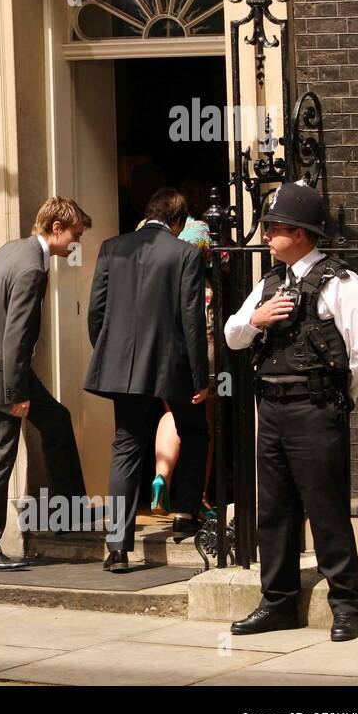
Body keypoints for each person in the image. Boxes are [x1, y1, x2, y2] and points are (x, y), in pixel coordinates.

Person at [224, 182, 358, 642]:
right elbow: (232, 334)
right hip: (269, 409)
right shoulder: (269, 284)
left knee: (326, 507)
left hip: (314, 408)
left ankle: (345, 604)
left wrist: (330, 394)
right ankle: (277, 603)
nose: (267, 235)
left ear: (303, 233)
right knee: (273, 511)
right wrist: (257, 320)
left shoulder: (339, 281)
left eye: (275, 228)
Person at [0, 197, 92, 571]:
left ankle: (69, 515)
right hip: (4, 372)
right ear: (56, 228)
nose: (77, 243)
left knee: (56, 420)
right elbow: (17, 335)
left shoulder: (12, 250)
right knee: (1, 455)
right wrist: (16, 394)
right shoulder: (32, 268)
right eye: (76, 235)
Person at [85, 188, 209, 573]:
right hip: (172, 366)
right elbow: (192, 321)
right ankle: (187, 512)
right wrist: (200, 377)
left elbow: (96, 312)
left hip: (122, 367)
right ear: (178, 221)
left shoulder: (111, 248)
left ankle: (118, 549)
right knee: (194, 431)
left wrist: (111, 354)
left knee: (126, 446)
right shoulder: (185, 253)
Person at [152, 217, 216, 528]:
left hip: (167, 356)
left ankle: (161, 475)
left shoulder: (164, 274)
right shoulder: (204, 280)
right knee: (202, 426)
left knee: (172, 416)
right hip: (203, 353)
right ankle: (198, 499)